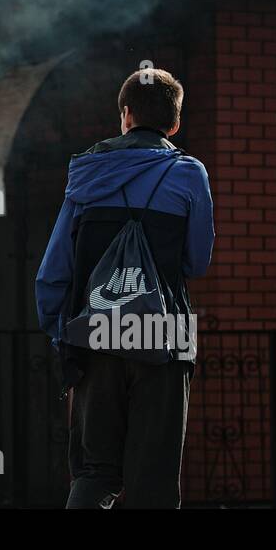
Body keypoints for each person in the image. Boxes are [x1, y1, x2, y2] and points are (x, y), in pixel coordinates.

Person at [36, 69, 214, 508]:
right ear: (174, 124)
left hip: (96, 335)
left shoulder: (87, 174)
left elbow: (53, 271)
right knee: (154, 480)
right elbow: (197, 261)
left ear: (126, 116)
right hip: (162, 339)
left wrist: (65, 336)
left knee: (95, 473)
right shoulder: (189, 174)